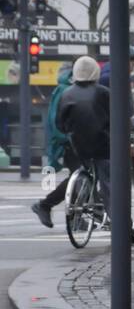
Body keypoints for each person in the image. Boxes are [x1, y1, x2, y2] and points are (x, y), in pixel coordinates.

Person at [53, 56, 112, 217]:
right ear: (95, 72)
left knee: (82, 172)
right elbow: (114, 119)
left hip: (78, 146)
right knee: (109, 182)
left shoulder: (66, 94)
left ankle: (81, 204)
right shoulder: (103, 93)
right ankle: (119, 221)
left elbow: (60, 123)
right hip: (102, 146)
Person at [30, 64, 76, 227]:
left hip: (72, 141)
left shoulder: (67, 89)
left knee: (81, 178)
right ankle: (45, 205)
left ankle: (79, 216)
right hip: (70, 142)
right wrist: (66, 138)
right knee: (78, 178)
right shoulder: (65, 90)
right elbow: (56, 121)